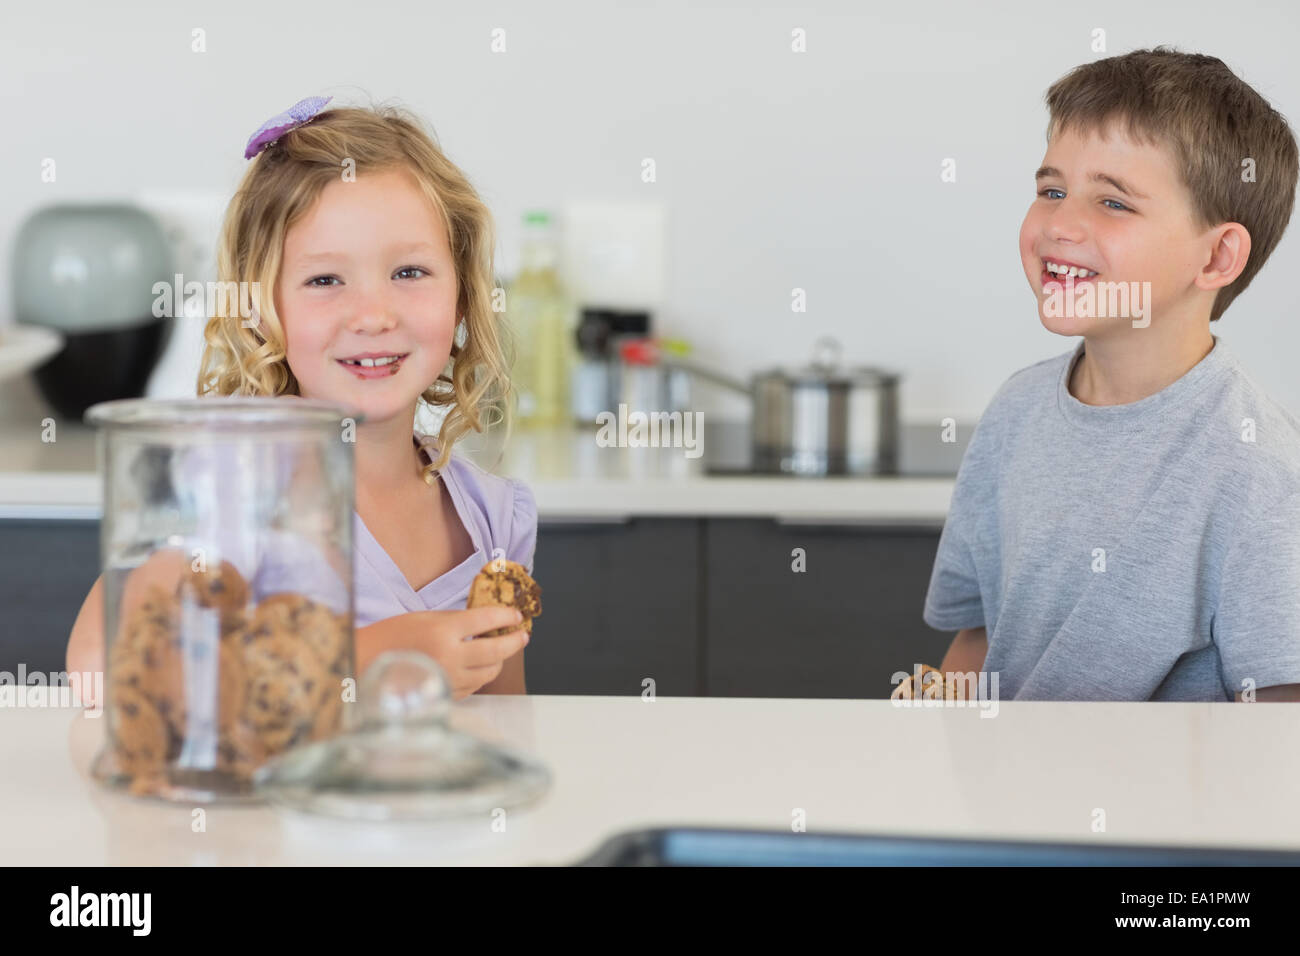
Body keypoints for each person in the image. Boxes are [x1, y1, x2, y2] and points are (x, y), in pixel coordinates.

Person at [67, 98, 534, 701]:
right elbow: (99, 666)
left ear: (464, 294)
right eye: (324, 280)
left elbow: (509, 725)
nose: (373, 315)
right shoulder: (234, 488)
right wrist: (366, 660)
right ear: (262, 310)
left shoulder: (493, 517)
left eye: (410, 272)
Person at [921, 48, 1300, 702]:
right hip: (1003, 803)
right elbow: (981, 640)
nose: (1061, 224)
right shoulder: (1015, 412)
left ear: (1216, 256)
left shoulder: (1258, 471)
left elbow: (1278, 724)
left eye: (1114, 204)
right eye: (1052, 191)